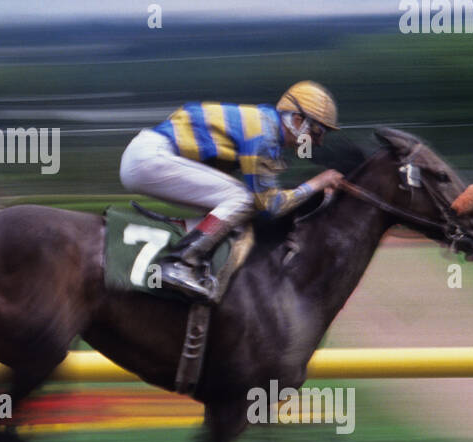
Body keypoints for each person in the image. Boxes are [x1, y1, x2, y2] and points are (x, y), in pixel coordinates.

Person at [118, 81, 344, 301]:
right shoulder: (264, 136)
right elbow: (269, 207)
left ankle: (184, 257)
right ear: (297, 120)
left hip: (150, 155)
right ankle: (179, 263)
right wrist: (318, 182)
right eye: (317, 132)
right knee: (243, 200)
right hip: (151, 157)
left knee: (234, 212)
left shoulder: (266, 126)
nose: (318, 142)